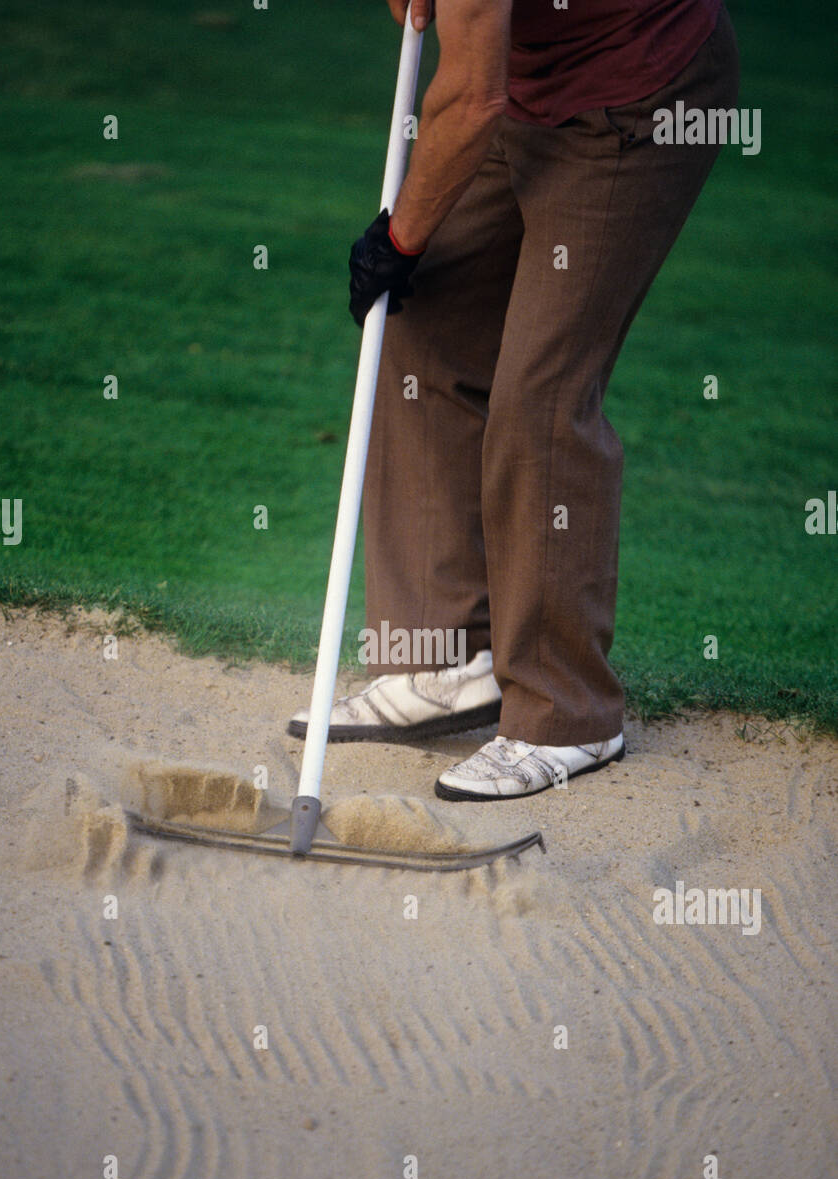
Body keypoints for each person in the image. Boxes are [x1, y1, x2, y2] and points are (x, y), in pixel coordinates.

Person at [289, 0, 739, 800]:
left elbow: (469, 97)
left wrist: (396, 239)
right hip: (520, 90)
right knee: (422, 323)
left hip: (635, 98)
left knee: (541, 396)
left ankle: (569, 714)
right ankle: (446, 658)